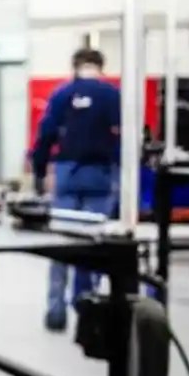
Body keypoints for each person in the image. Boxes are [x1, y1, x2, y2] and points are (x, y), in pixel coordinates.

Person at [30, 47, 121, 331]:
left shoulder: (61, 94)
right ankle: (85, 308)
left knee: (61, 244)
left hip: (68, 173)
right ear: (100, 66)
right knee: (91, 245)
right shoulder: (112, 95)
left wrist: (39, 172)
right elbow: (125, 137)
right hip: (101, 175)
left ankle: (55, 312)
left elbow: (45, 135)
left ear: (75, 66)